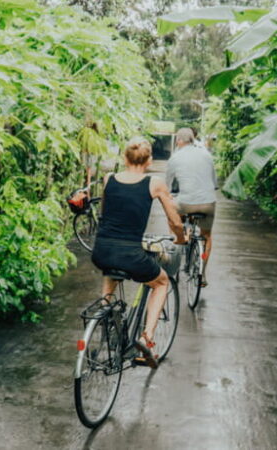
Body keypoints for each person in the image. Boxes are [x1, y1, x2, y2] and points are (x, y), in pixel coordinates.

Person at [91, 137, 186, 368]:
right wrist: (181, 238)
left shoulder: (108, 179)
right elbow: (174, 221)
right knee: (161, 283)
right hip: (131, 254)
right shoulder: (155, 184)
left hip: (101, 250)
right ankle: (146, 338)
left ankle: (106, 315)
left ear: (124, 158)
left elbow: (108, 213)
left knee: (110, 269)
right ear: (150, 161)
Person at [166, 128, 217, 286]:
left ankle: (180, 237)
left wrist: (170, 195)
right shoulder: (207, 155)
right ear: (192, 140)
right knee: (206, 236)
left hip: (185, 203)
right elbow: (215, 183)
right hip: (208, 203)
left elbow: (167, 186)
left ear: (178, 141)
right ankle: (202, 273)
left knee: (172, 211)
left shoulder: (175, 157)